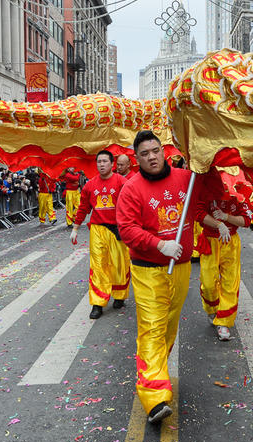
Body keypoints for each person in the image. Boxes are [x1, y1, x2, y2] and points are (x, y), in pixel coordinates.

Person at [114, 130, 204, 426]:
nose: (151, 157)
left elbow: (207, 198)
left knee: (168, 326)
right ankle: (154, 397)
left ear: (164, 151)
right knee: (152, 327)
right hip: (148, 269)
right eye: (144, 154)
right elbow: (127, 229)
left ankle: (154, 372)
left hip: (180, 268)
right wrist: (158, 244)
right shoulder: (131, 188)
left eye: (155, 151)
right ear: (136, 159)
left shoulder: (187, 178)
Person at [71, 149, 129, 319]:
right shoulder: (90, 185)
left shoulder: (122, 182)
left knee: (120, 265)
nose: (101, 164)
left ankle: (119, 296)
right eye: (99, 161)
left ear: (112, 164)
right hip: (98, 229)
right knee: (98, 266)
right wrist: (75, 228)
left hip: (118, 229)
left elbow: (131, 205)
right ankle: (98, 303)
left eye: (105, 161)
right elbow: (83, 207)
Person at [199, 182, 250, 340]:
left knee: (230, 282)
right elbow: (198, 213)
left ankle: (224, 322)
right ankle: (213, 309)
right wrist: (218, 224)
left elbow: (247, 220)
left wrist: (226, 217)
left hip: (230, 242)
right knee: (208, 283)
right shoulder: (205, 188)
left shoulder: (239, 191)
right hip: (210, 241)